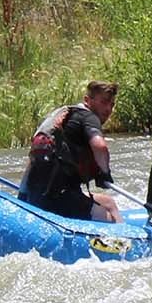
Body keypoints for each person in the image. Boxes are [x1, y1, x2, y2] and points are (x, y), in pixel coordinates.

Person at [20, 80, 122, 223]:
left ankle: (131, 240)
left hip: (37, 194)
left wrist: (22, 197)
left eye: (112, 104)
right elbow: (100, 146)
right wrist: (104, 173)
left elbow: (33, 161)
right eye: (104, 102)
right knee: (108, 219)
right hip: (59, 197)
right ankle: (121, 243)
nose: (108, 109)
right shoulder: (89, 117)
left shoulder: (66, 117)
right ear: (87, 100)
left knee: (109, 203)